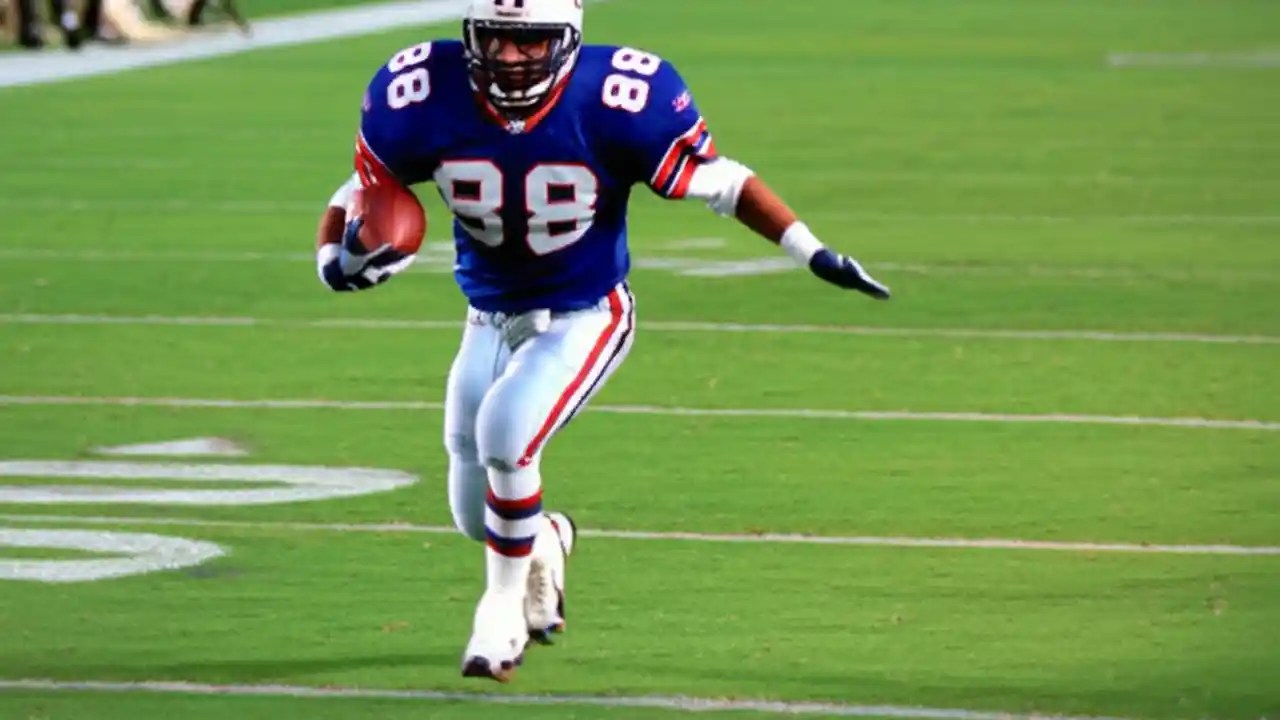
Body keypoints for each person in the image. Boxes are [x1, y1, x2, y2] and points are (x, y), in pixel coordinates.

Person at [313, 0, 890, 684]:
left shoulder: (621, 97)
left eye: (529, 43)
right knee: (475, 513)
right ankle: (547, 538)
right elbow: (366, 190)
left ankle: (499, 616)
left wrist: (812, 251)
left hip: (585, 311)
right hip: (487, 313)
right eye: (495, 38)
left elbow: (725, 184)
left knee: (506, 433)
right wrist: (334, 260)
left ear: (567, 39)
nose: (509, 57)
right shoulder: (418, 90)